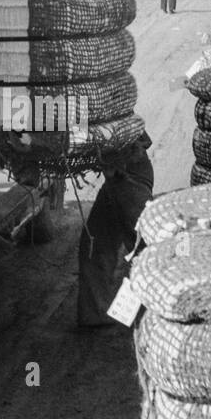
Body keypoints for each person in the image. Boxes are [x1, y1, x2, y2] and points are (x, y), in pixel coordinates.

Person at [77, 132, 155, 327]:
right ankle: (95, 314)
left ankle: (162, 313)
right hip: (118, 178)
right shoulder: (103, 112)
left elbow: (78, 136)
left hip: (130, 179)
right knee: (94, 243)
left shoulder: (99, 116)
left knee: (145, 249)